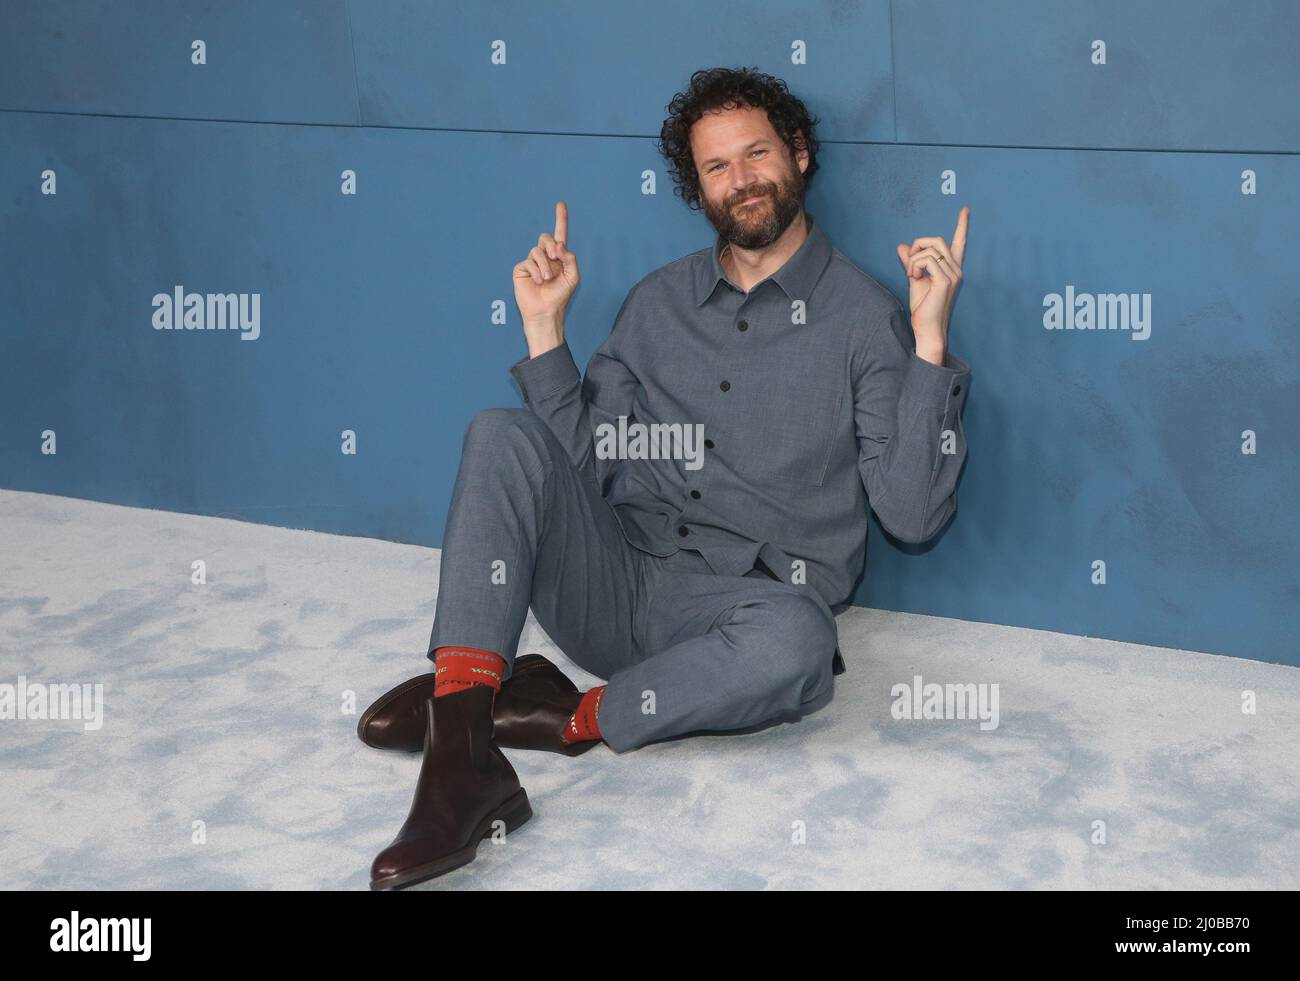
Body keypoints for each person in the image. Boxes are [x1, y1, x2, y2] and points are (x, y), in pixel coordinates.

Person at [360, 66, 973, 890]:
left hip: (742, 612)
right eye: (717, 167)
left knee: (802, 642)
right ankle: (465, 759)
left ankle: (549, 714)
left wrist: (929, 341)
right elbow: (577, 470)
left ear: (797, 154)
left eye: (756, 153)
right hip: (616, 579)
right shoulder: (657, 303)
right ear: (698, 186)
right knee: (500, 434)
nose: (741, 180)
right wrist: (546, 334)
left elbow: (912, 515)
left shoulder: (865, 318)